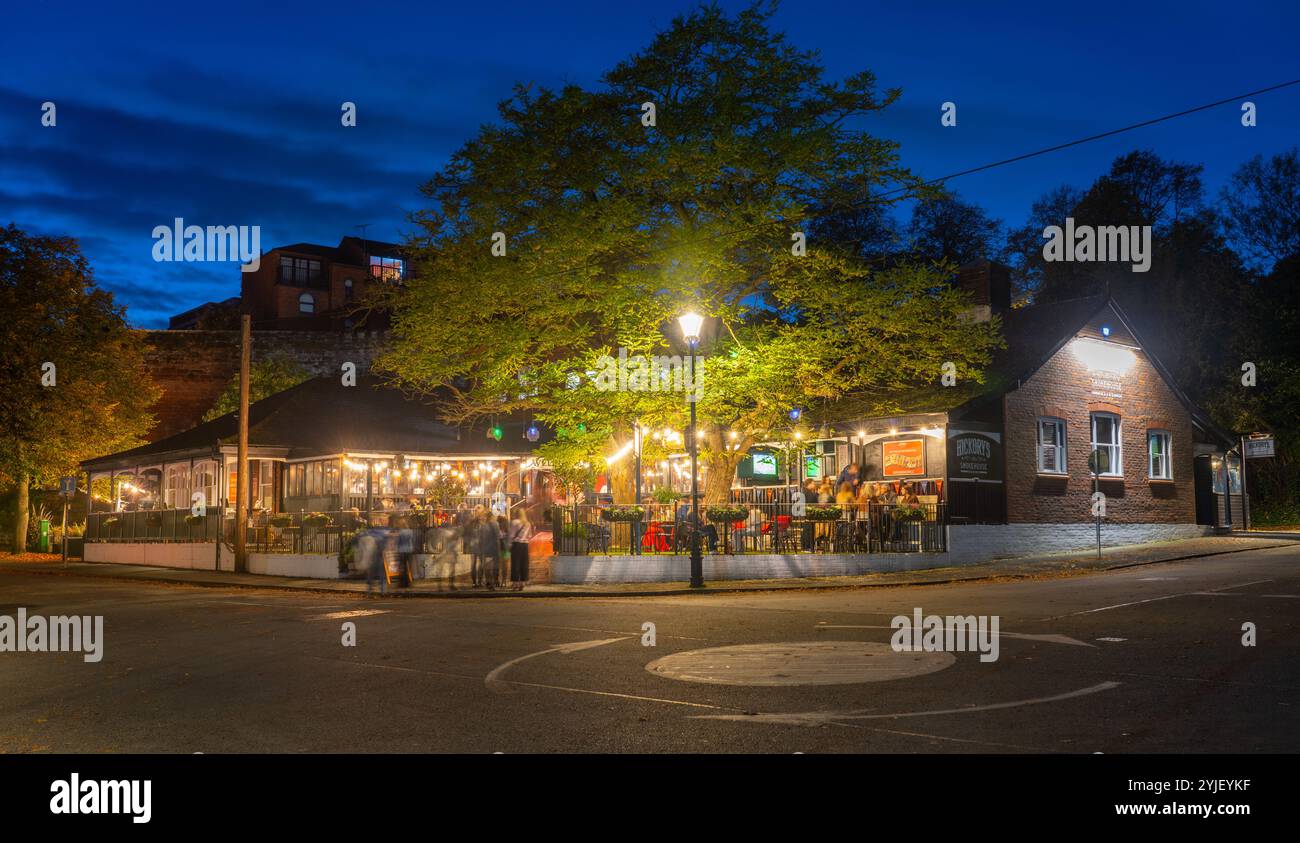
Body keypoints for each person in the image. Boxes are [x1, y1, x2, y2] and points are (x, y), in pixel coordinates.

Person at [476, 509, 503, 589]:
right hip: (495, 547)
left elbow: (480, 538)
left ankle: (489, 582)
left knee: (487, 566)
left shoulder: (483, 525)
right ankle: (495, 581)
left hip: (486, 548)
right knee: (495, 566)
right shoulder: (496, 524)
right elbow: (498, 536)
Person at [507, 509, 531, 590]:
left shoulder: (514, 522)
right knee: (524, 564)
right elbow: (529, 536)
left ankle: (515, 583)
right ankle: (523, 582)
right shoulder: (527, 523)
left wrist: (509, 545)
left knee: (515, 564)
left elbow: (511, 535)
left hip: (516, 545)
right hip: (525, 545)